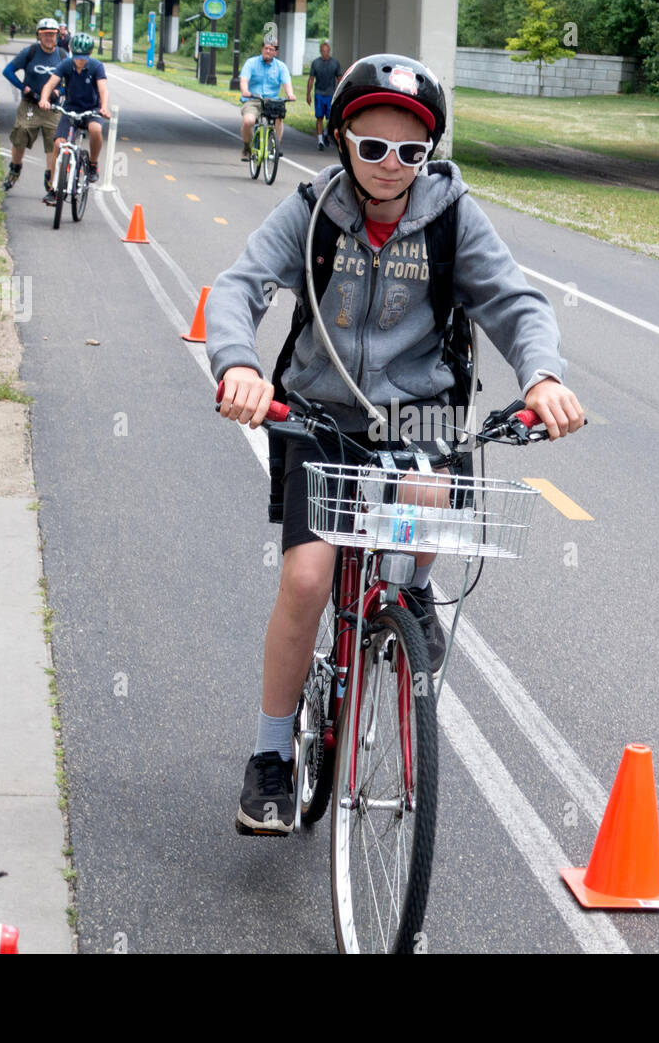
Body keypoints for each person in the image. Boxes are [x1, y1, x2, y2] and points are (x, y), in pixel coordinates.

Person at [209, 53, 585, 835]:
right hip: (320, 416)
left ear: (430, 152)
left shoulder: (451, 215)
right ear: (342, 138)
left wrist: (543, 376)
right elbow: (241, 287)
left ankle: (409, 592)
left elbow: (516, 304)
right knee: (308, 579)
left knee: (422, 496)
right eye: (372, 147)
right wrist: (239, 365)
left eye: (410, 152)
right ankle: (272, 756)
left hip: (419, 419)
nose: (390, 167)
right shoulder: (313, 209)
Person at [1, 17, 70, 198]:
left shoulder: (63, 56)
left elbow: (70, 81)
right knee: (21, 132)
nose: (49, 38)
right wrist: (23, 87)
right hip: (31, 105)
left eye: (52, 34)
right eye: (45, 34)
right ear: (39, 36)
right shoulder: (30, 52)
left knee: (54, 143)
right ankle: (15, 169)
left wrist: (60, 91)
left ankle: (50, 179)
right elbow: (8, 71)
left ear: (57, 36)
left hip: (52, 108)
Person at [38, 32, 111, 196]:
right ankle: (53, 187)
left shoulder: (96, 66)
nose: (80, 60)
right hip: (70, 108)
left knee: (95, 130)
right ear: (71, 52)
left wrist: (104, 107)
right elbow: (50, 84)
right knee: (58, 144)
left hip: (92, 109)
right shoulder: (65, 64)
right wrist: (44, 99)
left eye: (84, 57)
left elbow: (103, 89)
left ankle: (92, 164)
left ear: (90, 54)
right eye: (77, 56)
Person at [238, 38, 295, 161]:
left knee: (279, 117)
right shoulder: (251, 63)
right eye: (266, 48)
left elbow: (287, 83)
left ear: (276, 52)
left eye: (271, 49)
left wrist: (290, 94)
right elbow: (244, 80)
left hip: (272, 101)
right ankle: (247, 147)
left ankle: (276, 147)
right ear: (262, 49)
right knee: (248, 121)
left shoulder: (281, 67)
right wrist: (245, 91)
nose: (268, 51)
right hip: (253, 99)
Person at [305, 40, 342, 151]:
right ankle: (320, 141)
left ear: (329, 51)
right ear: (320, 52)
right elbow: (311, 79)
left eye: (326, 51)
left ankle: (326, 133)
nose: (325, 53)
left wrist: (339, 92)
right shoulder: (315, 63)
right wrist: (308, 94)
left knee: (330, 118)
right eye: (323, 51)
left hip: (330, 94)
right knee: (319, 117)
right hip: (319, 94)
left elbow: (339, 78)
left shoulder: (335, 63)